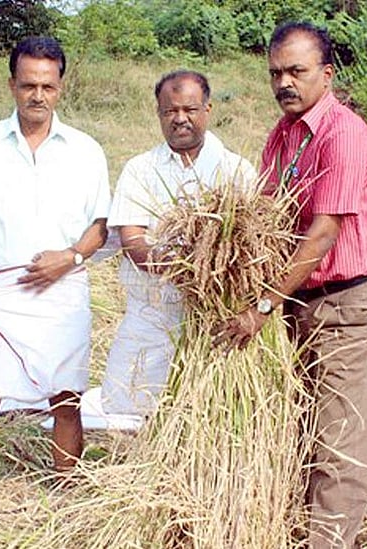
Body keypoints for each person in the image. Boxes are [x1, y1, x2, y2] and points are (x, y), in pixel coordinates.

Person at [218, 22, 367, 548]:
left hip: (350, 308)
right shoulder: (282, 134)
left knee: (340, 444)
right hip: (299, 306)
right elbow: (268, 219)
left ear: (326, 73)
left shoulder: (344, 134)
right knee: (302, 432)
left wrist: (262, 305)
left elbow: (321, 235)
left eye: (296, 71)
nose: (285, 82)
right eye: (276, 72)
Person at [0, 36, 111, 496]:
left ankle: (66, 496)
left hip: (64, 292)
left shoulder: (85, 150)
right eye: (29, 85)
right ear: (12, 84)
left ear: (61, 87)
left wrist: (69, 258)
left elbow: (100, 227)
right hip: (3, 295)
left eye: (48, 86)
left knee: (67, 401)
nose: (38, 95)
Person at [103, 70, 256, 416]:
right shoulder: (140, 169)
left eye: (189, 109)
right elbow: (132, 241)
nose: (180, 119)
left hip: (215, 323)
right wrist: (186, 267)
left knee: (207, 415)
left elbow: (250, 249)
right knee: (127, 412)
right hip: (150, 314)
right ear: (159, 114)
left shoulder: (236, 171)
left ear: (208, 109)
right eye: (170, 111)